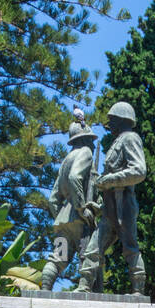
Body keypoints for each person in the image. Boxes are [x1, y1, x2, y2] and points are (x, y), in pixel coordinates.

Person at [76, 101, 147, 296]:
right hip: (109, 208)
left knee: (130, 248)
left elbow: (139, 171)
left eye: (112, 120)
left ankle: (137, 290)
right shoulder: (117, 142)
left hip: (124, 206)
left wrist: (109, 180)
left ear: (122, 119)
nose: (109, 124)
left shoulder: (130, 138)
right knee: (93, 248)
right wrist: (99, 206)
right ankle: (83, 287)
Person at [39, 120, 100, 292]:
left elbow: (52, 199)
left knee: (57, 259)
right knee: (87, 256)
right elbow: (75, 178)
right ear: (86, 139)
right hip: (80, 218)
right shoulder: (86, 152)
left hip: (63, 220)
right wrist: (81, 209)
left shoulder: (67, 159)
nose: (93, 145)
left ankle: (45, 289)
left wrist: (62, 218)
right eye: (91, 140)